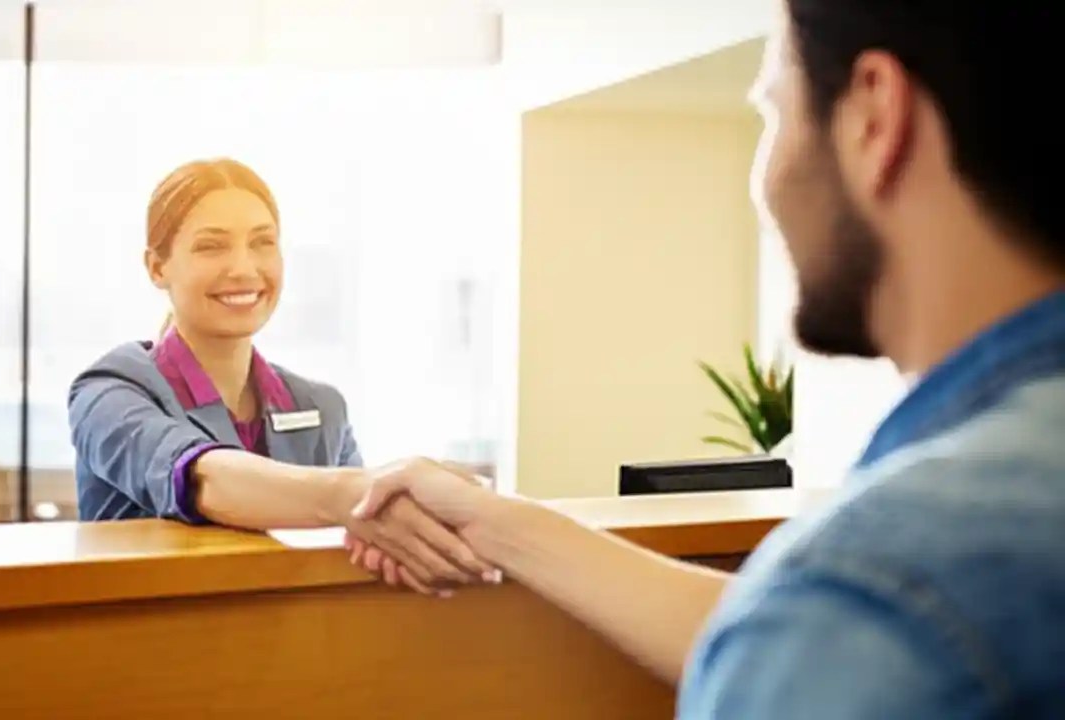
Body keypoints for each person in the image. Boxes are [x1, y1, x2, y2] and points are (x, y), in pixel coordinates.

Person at [353, 1, 1065, 716]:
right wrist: (496, 522)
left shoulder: (875, 591)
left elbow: (834, 629)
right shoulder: (879, 604)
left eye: (772, 113)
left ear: (874, 118)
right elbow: (789, 633)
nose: (765, 181)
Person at [68, 158, 494, 596]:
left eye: (262, 242)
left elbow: (362, 539)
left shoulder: (320, 406)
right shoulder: (109, 391)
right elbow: (200, 478)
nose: (244, 268)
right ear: (157, 267)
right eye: (212, 246)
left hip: (293, 646)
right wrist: (358, 494)